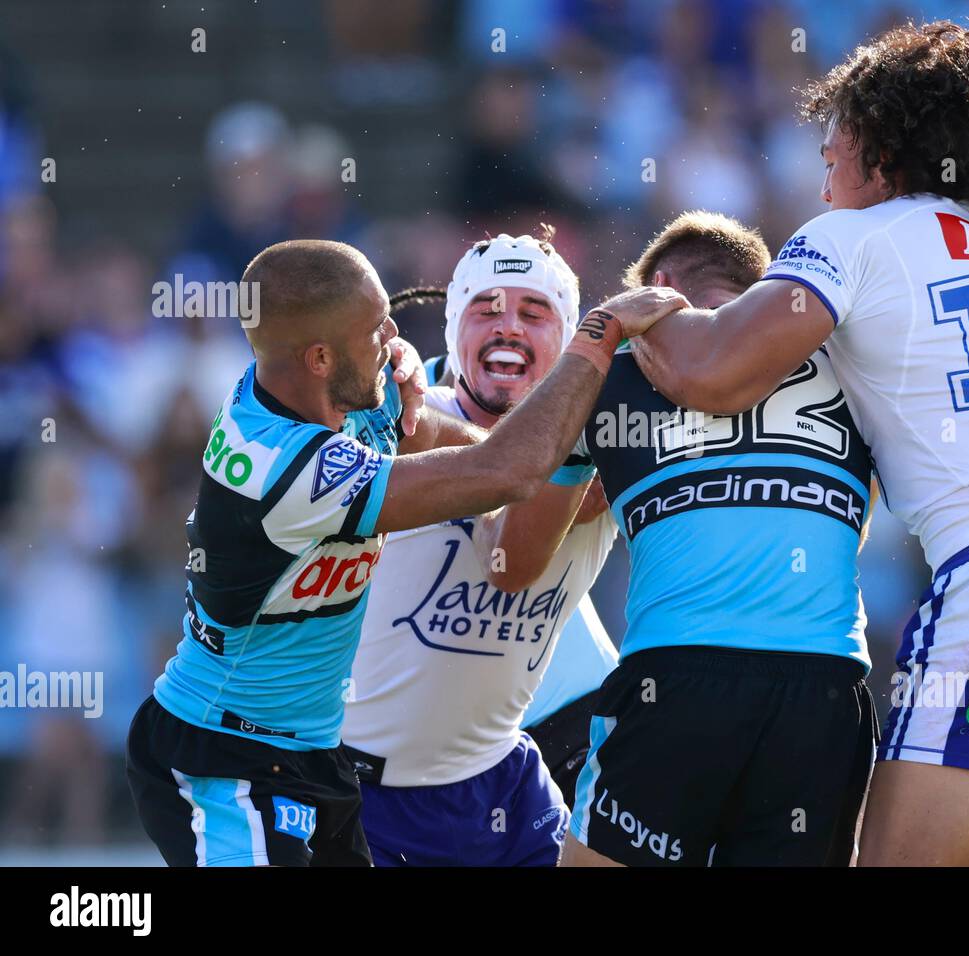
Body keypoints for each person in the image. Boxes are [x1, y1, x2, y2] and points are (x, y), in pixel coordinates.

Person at [613, 22, 969, 866]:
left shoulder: (850, 237)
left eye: (832, 157)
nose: (823, 185)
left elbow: (712, 373)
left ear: (880, 155)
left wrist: (640, 307)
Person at [125, 238, 674, 866]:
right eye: (376, 329)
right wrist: (599, 336)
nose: (394, 337)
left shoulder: (327, 388)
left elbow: (454, 439)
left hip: (318, 757)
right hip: (225, 753)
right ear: (321, 357)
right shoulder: (289, 470)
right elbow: (507, 472)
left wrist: (423, 390)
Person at [486, 211, 878, 867]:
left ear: (658, 289)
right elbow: (852, 530)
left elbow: (511, 563)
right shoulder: (846, 361)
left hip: (675, 678)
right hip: (827, 684)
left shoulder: (607, 368)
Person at [341, 231, 619, 866]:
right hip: (371, 792)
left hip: (509, 773)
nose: (509, 326)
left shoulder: (604, 436)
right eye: (486, 309)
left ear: (570, 342)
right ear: (453, 334)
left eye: (534, 312)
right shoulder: (396, 419)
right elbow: (406, 423)